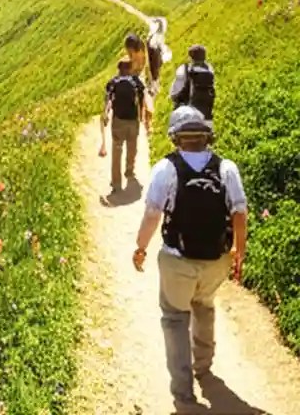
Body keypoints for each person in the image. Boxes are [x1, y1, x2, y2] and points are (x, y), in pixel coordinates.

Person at [132, 106, 247, 408]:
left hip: (177, 260)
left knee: (174, 318)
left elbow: (152, 214)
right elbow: (240, 213)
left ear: (175, 137)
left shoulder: (166, 169)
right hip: (215, 260)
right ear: (206, 135)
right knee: (204, 305)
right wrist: (239, 254)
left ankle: (183, 391)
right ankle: (204, 366)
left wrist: (141, 247)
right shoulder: (227, 168)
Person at [102, 59, 149, 192]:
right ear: (130, 68)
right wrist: (142, 116)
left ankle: (116, 182)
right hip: (133, 120)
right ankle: (129, 169)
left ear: (119, 69)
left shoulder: (113, 82)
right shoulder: (136, 81)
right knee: (132, 145)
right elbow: (142, 99)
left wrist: (105, 115)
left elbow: (108, 100)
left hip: (118, 120)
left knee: (117, 150)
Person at [170, 44, 215, 123]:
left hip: (186, 118)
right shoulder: (210, 70)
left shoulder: (184, 69)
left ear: (191, 57)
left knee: (173, 130)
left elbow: (174, 93)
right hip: (206, 118)